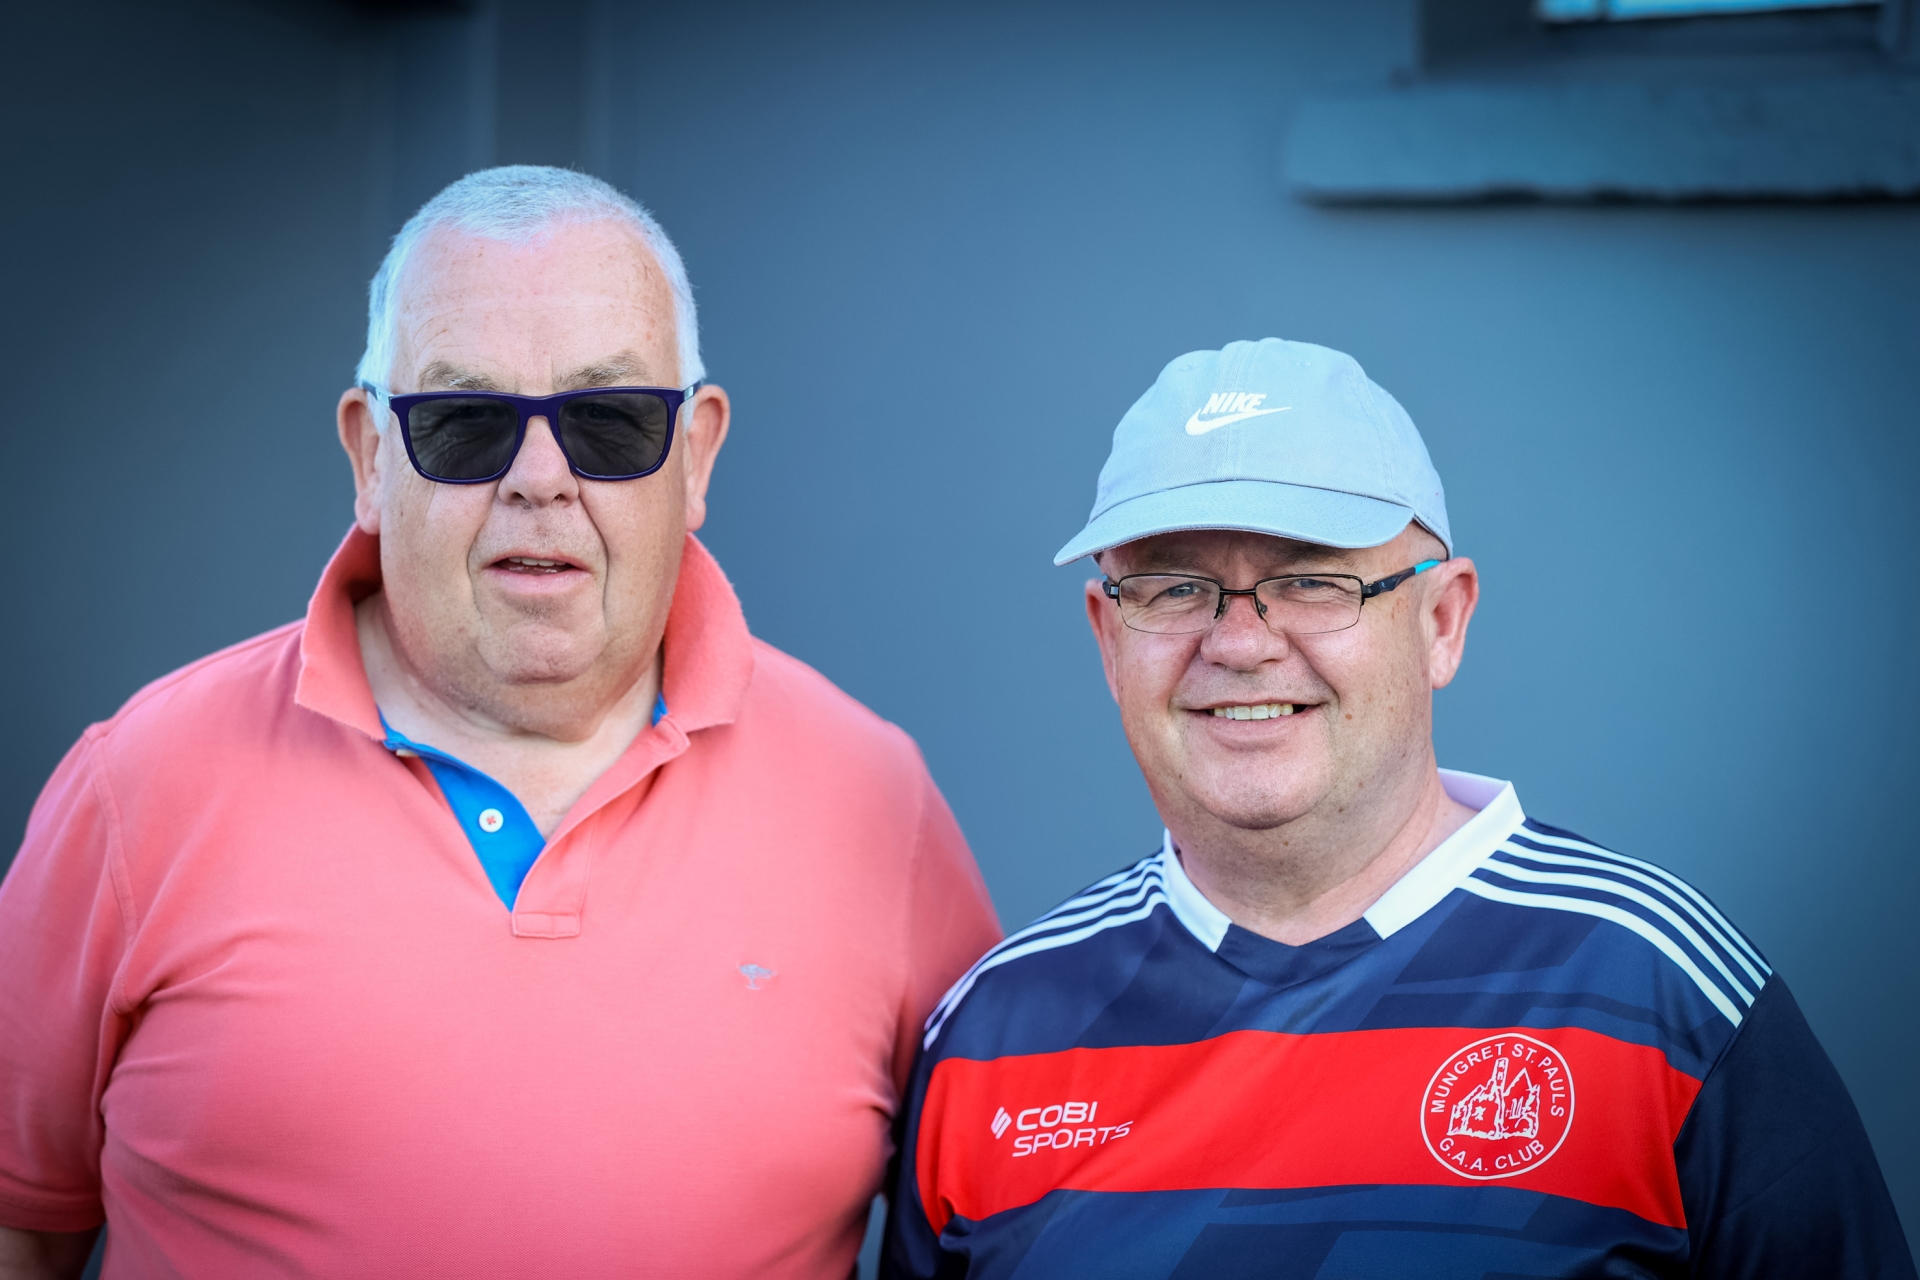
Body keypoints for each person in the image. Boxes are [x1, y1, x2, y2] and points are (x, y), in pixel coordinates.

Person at [0, 166, 1000, 1278]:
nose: (540, 478)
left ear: (699, 452)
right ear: (371, 457)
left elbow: (988, 1226)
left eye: (609, 420)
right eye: (467, 422)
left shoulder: (874, 797)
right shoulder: (137, 784)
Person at [884, 338, 1914, 1278]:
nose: (1240, 641)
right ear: (1110, 638)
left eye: (1314, 581)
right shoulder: (993, 1035)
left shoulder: (1661, 988)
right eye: (1176, 586)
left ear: (1443, 619)